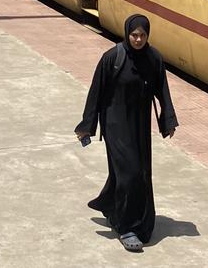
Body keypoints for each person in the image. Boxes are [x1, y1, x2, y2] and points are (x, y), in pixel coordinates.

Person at [75, 14, 178, 252]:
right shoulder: (113, 57)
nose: (138, 39)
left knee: (140, 172)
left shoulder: (153, 58)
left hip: (140, 123)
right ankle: (126, 227)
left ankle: (120, 210)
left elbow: (163, 90)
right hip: (115, 122)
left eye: (143, 35)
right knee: (130, 172)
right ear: (127, 33)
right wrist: (87, 126)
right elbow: (96, 93)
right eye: (134, 35)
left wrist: (168, 121)